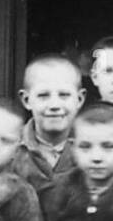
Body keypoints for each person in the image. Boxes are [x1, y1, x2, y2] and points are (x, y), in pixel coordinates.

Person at [14, 54, 85, 187]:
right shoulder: (10, 147)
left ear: (79, 99)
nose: (54, 105)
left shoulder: (93, 146)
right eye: (43, 95)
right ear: (26, 100)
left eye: (64, 95)